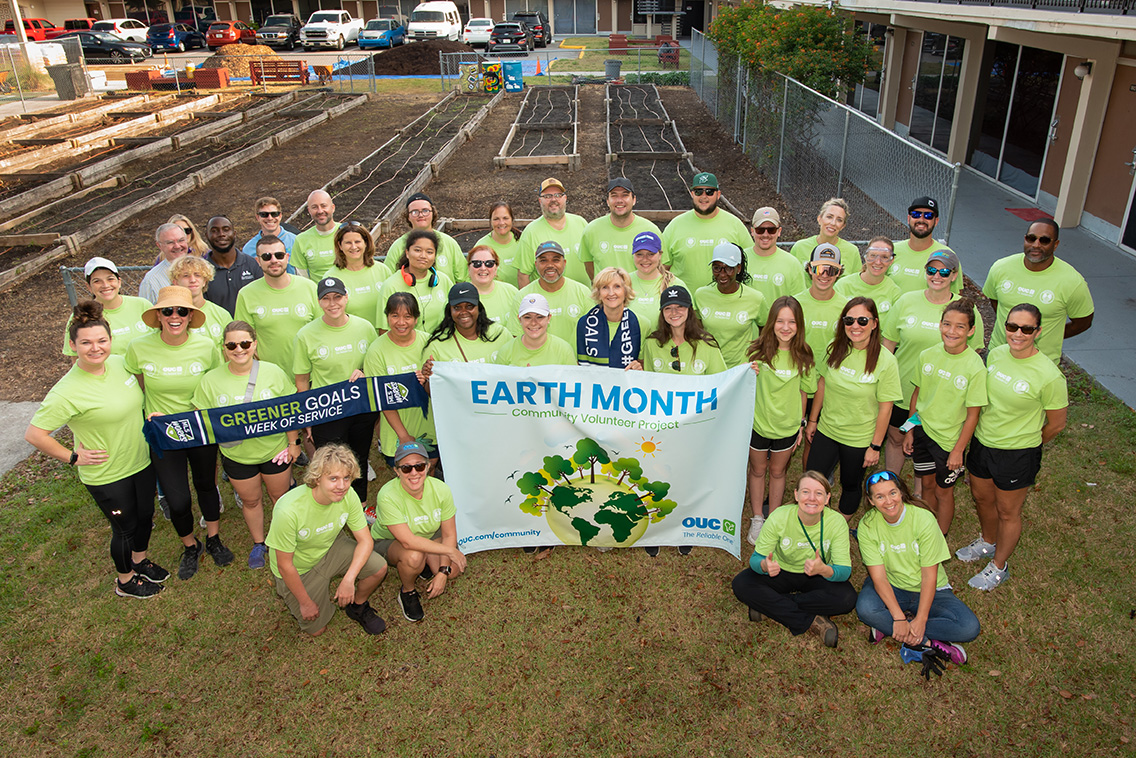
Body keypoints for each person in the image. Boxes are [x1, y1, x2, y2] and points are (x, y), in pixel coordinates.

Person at [27, 301, 168, 599]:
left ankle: (140, 561)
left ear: (110, 340)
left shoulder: (119, 364)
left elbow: (136, 400)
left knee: (145, 516)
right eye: (86, 342)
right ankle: (125, 580)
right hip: (107, 473)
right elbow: (35, 434)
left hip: (140, 460)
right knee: (124, 528)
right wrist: (73, 456)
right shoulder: (67, 391)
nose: (95, 348)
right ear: (72, 345)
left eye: (102, 341)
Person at [959, 303, 1068, 590]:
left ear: (1038, 332)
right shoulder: (995, 355)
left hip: (1018, 454)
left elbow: (1056, 423)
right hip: (983, 443)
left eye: (1026, 329)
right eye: (1012, 326)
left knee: (1009, 512)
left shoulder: (1049, 375)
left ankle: (999, 566)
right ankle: (987, 541)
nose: (1017, 333)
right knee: (982, 498)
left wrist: (1027, 443)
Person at [124, 286, 230, 580]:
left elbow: (216, 383)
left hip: (199, 428)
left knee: (206, 484)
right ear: (158, 315)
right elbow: (137, 386)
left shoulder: (206, 346)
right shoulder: (138, 347)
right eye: (167, 311)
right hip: (165, 432)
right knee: (178, 499)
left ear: (190, 315)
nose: (174, 316)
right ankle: (190, 545)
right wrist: (147, 414)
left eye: (181, 311)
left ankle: (213, 538)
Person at [192, 321, 299, 569]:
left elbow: (290, 410)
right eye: (232, 345)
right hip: (237, 456)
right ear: (223, 348)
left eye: (245, 343)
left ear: (254, 344)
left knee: (280, 497)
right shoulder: (210, 381)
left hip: (274, 451)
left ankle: (287, 539)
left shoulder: (273, 372)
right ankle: (259, 543)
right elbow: (201, 419)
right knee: (251, 502)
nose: (239, 349)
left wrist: (294, 443)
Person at [882, 249, 984, 486]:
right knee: (897, 437)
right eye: (932, 270)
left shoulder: (966, 311)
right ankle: (891, 486)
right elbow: (888, 345)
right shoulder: (906, 301)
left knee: (927, 446)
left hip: (940, 401)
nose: (937, 275)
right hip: (902, 391)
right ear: (925, 271)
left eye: (944, 271)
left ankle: (920, 494)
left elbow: (973, 355)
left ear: (954, 275)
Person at [856, 471, 979, 664]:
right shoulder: (867, 526)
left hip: (931, 590)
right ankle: (928, 642)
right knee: (865, 609)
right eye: (879, 496)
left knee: (969, 627)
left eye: (892, 493)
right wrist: (897, 618)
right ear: (871, 501)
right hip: (892, 586)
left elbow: (930, 577)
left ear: (902, 492)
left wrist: (921, 620)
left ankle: (891, 626)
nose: (888, 501)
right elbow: (878, 578)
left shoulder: (924, 519)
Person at [266, 443, 389, 636]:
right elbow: (284, 565)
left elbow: (365, 541)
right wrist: (305, 603)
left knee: (379, 567)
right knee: (317, 630)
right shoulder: (288, 510)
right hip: (299, 569)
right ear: (316, 478)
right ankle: (309, 598)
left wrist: (349, 579)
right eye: (333, 478)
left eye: (346, 478)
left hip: (331, 546)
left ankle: (358, 606)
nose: (341, 486)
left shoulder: (348, 496)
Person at [732, 471, 856, 648]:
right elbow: (755, 559)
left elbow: (843, 571)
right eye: (806, 492)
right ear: (796, 495)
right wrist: (765, 566)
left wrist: (823, 569)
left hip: (816, 574)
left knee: (847, 598)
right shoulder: (779, 517)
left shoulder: (837, 522)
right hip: (781, 571)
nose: (812, 498)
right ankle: (811, 620)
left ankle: (771, 605)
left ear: (827, 498)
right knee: (741, 584)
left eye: (819, 493)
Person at [805, 297, 902, 517]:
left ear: (875, 323)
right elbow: (822, 383)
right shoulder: (834, 348)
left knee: (850, 484)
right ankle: (813, 520)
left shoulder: (886, 361)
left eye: (862, 320)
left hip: (859, 439)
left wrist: (875, 446)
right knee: (812, 481)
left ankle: (839, 526)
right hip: (827, 430)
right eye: (849, 320)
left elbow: (886, 408)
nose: (855, 326)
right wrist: (812, 421)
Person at [903, 299, 988, 535]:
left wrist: (958, 450)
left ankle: (940, 537)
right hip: (923, 432)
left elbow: (973, 415)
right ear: (939, 325)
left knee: (943, 491)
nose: (952, 331)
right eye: (947, 324)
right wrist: (910, 429)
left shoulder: (975, 367)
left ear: (971, 331)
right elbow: (918, 394)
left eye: (960, 327)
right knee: (927, 484)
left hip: (949, 441)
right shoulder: (927, 355)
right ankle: (928, 529)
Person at [294, 276, 379, 506]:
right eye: (326, 298)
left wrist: (363, 371)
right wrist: (307, 418)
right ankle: (334, 509)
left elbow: (374, 364)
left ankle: (359, 505)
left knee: (359, 458)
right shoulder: (306, 334)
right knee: (332, 464)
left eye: (338, 297)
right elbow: (301, 380)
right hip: (327, 410)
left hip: (360, 406)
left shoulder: (365, 327)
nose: (333, 303)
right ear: (319, 302)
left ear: (346, 298)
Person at [745, 296, 816, 543]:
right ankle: (757, 517)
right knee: (757, 469)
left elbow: (803, 392)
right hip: (758, 424)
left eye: (792, 322)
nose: (785, 327)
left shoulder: (804, 355)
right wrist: (748, 373)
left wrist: (800, 424)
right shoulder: (756, 352)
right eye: (780, 321)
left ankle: (773, 518)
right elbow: (744, 385)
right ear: (771, 322)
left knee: (777, 471)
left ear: (799, 325)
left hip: (786, 427)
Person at [372, 440, 467, 623]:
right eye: (406, 468)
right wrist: (449, 550)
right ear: (396, 471)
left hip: (427, 535)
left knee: (453, 571)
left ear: (428, 466)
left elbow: (448, 534)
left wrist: (442, 572)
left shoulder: (441, 489)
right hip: (391, 541)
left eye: (419, 466)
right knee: (414, 556)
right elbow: (407, 541)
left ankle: (426, 560)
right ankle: (407, 591)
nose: (414, 473)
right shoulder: (387, 495)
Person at [983, 219, 1094, 364]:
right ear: (1025, 239)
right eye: (1031, 238)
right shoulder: (1001, 268)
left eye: (1045, 240)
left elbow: (1083, 322)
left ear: (1055, 245)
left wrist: (1048, 335)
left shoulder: (1072, 282)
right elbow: (995, 302)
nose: (1036, 245)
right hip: (998, 354)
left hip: (1040, 362)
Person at [364, 293, 437, 479]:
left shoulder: (429, 342)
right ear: (386, 316)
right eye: (395, 315)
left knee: (430, 472)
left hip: (430, 428)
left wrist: (428, 379)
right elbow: (381, 399)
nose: (401, 322)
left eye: (407, 316)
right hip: (397, 431)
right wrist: (403, 435)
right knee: (408, 478)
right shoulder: (376, 351)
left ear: (416, 318)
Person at [234, 236, 319, 381]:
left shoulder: (309, 287)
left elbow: (321, 330)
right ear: (258, 261)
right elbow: (243, 338)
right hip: (268, 379)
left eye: (278, 255)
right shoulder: (246, 294)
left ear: (287, 257)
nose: (274, 260)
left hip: (310, 376)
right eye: (266, 257)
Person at [661, 172, 753, 292]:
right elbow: (662, 267)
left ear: (718, 194)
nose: (704, 196)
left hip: (723, 303)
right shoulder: (675, 225)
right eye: (699, 192)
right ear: (692, 193)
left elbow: (750, 262)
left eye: (709, 192)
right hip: (684, 306)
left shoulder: (734, 225)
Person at [62, 257, 153, 357]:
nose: (105, 285)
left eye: (110, 279)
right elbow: (76, 358)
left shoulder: (142, 305)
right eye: (97, 281)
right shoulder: (83, 315)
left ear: (119, 282)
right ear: (89, 287)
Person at [695, 242, 765, 368]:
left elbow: (765, 330)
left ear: (738, 268)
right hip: (709, 368)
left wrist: (754, 357)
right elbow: (697, 331)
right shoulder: (701, 295)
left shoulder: (755, 298)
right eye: (717, 268)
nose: (722, 274)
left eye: (729, 268)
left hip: (740, 369)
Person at [579, 178, 661, 280]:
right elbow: (589, 265)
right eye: (614, 196)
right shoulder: (592, 230)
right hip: (606, 295)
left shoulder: (650, 230)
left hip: (639, 294)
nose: (619, 200)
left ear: (634, 199)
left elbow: (660, 266)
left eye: (625, 195)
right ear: (608, 201)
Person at [375, 228, 454, 334]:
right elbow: (383, 330)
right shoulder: (390, 285)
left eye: (429, 252)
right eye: (417, 250)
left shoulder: (443, 281)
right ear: (407, 253)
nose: (423, 256)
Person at [516, 177, 589, 287]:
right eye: (547, 196)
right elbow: (523, 275)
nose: (553, 199)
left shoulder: (581, 223)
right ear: (540, 200)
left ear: (565, 198)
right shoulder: (531, 232)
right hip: (548, 301)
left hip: (582, 300)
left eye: (558, 195)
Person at [518, 240, 593, 346]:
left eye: (556, 260)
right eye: (543, 261)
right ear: (536, 264)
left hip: (574, 361)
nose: (550, 265)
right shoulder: (523, 296)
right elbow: (516, 337)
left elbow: (594, 334)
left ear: (564, 263)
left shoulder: (583, 293)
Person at [641, 285, 725, 376]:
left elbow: (721, 382)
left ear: (689, 309)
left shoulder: (707, 344)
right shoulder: (652, 343)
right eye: (668, 308)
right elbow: (648, 383)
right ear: (662, 313)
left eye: (680, 306)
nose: (674, 312)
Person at [384, 193, 466, 284]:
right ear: (408, 216)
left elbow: (464, 277)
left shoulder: (449, 243)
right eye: (415, 212)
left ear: (433, 213)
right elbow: (387, 279)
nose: (421, 215)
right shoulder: (398, 246)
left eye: (425, 210)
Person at [888, 197, 962, 295]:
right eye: (916, 214)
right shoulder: (891, 250)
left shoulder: (947, 255)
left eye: (928, 216)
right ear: (908, 218)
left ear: (936, 221)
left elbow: (954, 297)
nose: (921, 219)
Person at [425, 282, 512, 365]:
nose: (463, 312)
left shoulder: (501, 334)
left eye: (469, 306)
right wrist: (427, 376)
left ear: (479, 308)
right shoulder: (436, 345)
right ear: (450, 311)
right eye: (457, 307)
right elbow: (428, 379)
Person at [576, 266, 643, 369]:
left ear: (625, 291)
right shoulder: (583, 324)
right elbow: (575, 365)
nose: (611, 293)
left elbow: (645, 366)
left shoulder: (641, 323)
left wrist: (639, 369)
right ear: (598, 293)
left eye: (617, 286)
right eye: (605, 287)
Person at [329, 221, 389, 328]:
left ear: (365, 243)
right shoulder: (332, 278)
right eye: (348, 243)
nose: (353, 247)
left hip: (384, 338)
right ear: (340, 245)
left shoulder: (382, 270)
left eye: (357, 241)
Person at [494, 292, 577, 367]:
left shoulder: (564, 350)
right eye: (527, 317)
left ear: (549, 318)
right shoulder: (506, 351)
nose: (533, 323)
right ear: (519, 319)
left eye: (539, 317)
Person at [202, 215, 262, 315]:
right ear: (207, 235)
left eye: (226, 230)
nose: (221, 234)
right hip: (217, 328)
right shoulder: (201, 270)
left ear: (234, 234)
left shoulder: (252, 264)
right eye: (214, 230)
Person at [626, 231, 686, 329]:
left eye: (650, 254)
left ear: (660, 255)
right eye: (639, 254)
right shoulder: (623, 282)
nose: (645, 259)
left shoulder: (675, 284)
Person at [747, 207, 807, 305]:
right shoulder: (741, 259)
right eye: (760, 230)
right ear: (752, 231)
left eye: (771, 230)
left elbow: (798, 304)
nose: (765, 235)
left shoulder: (792, 263)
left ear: (779, 231)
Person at [788, 198, 861, 277]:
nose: (833, 223)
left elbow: (856, 283)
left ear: (843, 226)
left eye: (839, 220)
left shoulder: (852, 251)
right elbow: (789, 280)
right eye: (829, 217)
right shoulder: (800, 247)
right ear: (819, 219)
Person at [835, 236, 902, 316]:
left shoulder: (894, 292)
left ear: (892, 260)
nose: (878, 262)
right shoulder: (843, 285)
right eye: (873, 255)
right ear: (866, 257)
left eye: (884, 257)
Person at [169, 255, 231, 341]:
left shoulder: (222, 315)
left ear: (205, 281)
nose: (193, 280)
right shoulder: (169, 315)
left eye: (197, 275)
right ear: (175, 282)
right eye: (186, 275)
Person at [466, 244, 520, 334]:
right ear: (468, 268)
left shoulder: (512, 292)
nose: (483, 268)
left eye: (489, 264)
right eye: (477, 264)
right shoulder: (460, 296)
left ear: (496, 268)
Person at [291, 189, 341, 279]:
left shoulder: (346, 232)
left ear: (333, 208)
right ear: (309, 210)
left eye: (323, 206)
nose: (320, 211)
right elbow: (302, 278)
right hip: (318, 292)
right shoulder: (301, 240)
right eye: (314, 207)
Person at [473, 201, 523, 287]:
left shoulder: (522, 241)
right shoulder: (482, 246)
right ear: (490, 221)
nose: (501, 223)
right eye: (496, 219)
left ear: (512, 219)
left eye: (505, 218)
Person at [139, 223, 191, 303]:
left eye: (181, 240)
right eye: (170, 242)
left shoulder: (202, 270)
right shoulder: (151, 280)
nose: (177, 246)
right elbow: (145, 312)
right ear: (159, 245)